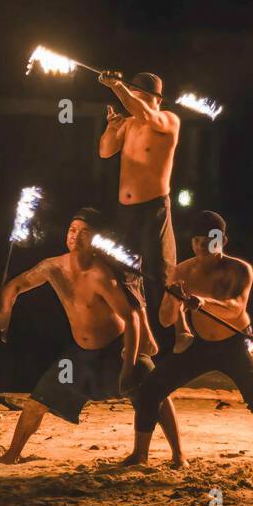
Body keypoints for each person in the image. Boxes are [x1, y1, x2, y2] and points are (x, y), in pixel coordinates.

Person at [0, 208, 183, 465]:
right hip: (79, 354)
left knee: (155, 391)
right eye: (73, 230)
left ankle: (172, 456)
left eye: (85, 232)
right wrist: (4, 314)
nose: (76, 236)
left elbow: (131, 318)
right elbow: (14, 285)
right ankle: (12, 454)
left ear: (95, 239)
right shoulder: (53, 267)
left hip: (117, 350)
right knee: (37, 401)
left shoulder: (101, 275)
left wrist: (128, 366)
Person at [126, 210, 253, 470]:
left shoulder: (240, 269)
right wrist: (173, 300)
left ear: (222, 240)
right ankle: (140, 455)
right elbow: (165, 320)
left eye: (209, 239)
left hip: (237, 342)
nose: (202, 245)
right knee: (150, 389)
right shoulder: (181, 271)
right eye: (197, 240)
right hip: (200, 344)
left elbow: (235, 307)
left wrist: (203, 301)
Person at [98, 69, 194, 353]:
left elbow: (145, 114)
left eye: (139, 96)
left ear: (155, 99)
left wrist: (118, 87)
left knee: (163, 269)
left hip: (154, 207)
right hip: (126, 210)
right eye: (132, 94)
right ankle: (147, 337)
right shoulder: (128, 124)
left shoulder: (167, 120)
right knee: (124, 272)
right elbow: (105, 151)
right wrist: (111, 126)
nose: (133, 100)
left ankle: (182, 329)